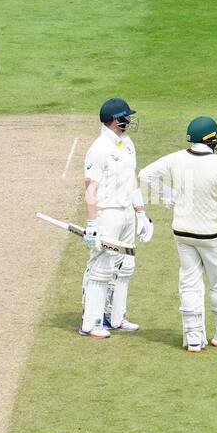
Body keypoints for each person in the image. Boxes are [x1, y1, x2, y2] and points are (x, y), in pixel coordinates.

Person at [138, 117, 217, 353]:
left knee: (189, 284)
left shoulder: (176, 158)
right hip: (210, 235)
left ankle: (194, 338)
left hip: (182, 233)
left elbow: (144, 175)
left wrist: (168, 195)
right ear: (210, 139)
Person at [80, 97, 151, 337]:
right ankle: (91, 323)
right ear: (114, 120)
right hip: (107, 213)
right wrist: (91, 223)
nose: (129, 120)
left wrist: (141, 214)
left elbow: (132, 180)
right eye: (125, 117)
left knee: (126, 266)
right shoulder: (99, 148)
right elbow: (90, 186)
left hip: (126, 213)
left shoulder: (127, 144)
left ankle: (116, 318)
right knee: (101, 268)